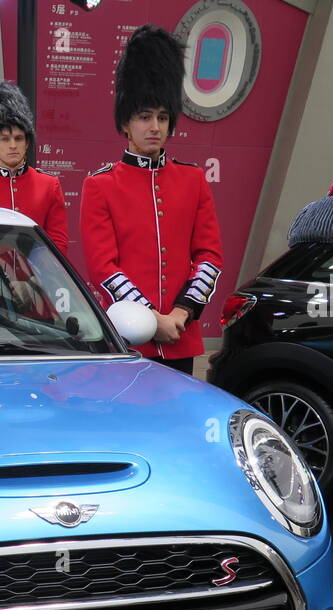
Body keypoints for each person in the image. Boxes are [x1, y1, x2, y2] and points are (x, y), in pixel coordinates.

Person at [79, 25, 222, 373]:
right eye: (144, 117)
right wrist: (152, 319)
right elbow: (103, 268)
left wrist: (181, 313)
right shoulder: (100, 185)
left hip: (181, 334)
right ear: (125, 123)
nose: (155, 126)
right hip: (128, 338)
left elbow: (210, 256)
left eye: (162, 116)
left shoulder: (193, 180)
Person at [0, 80, 68, 254]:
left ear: (27, 143)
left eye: (18, 138)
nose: (13, 145)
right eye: (5, 139)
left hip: (39, 280)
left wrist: (35, 279)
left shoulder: (49, 185)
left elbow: (58, 245)